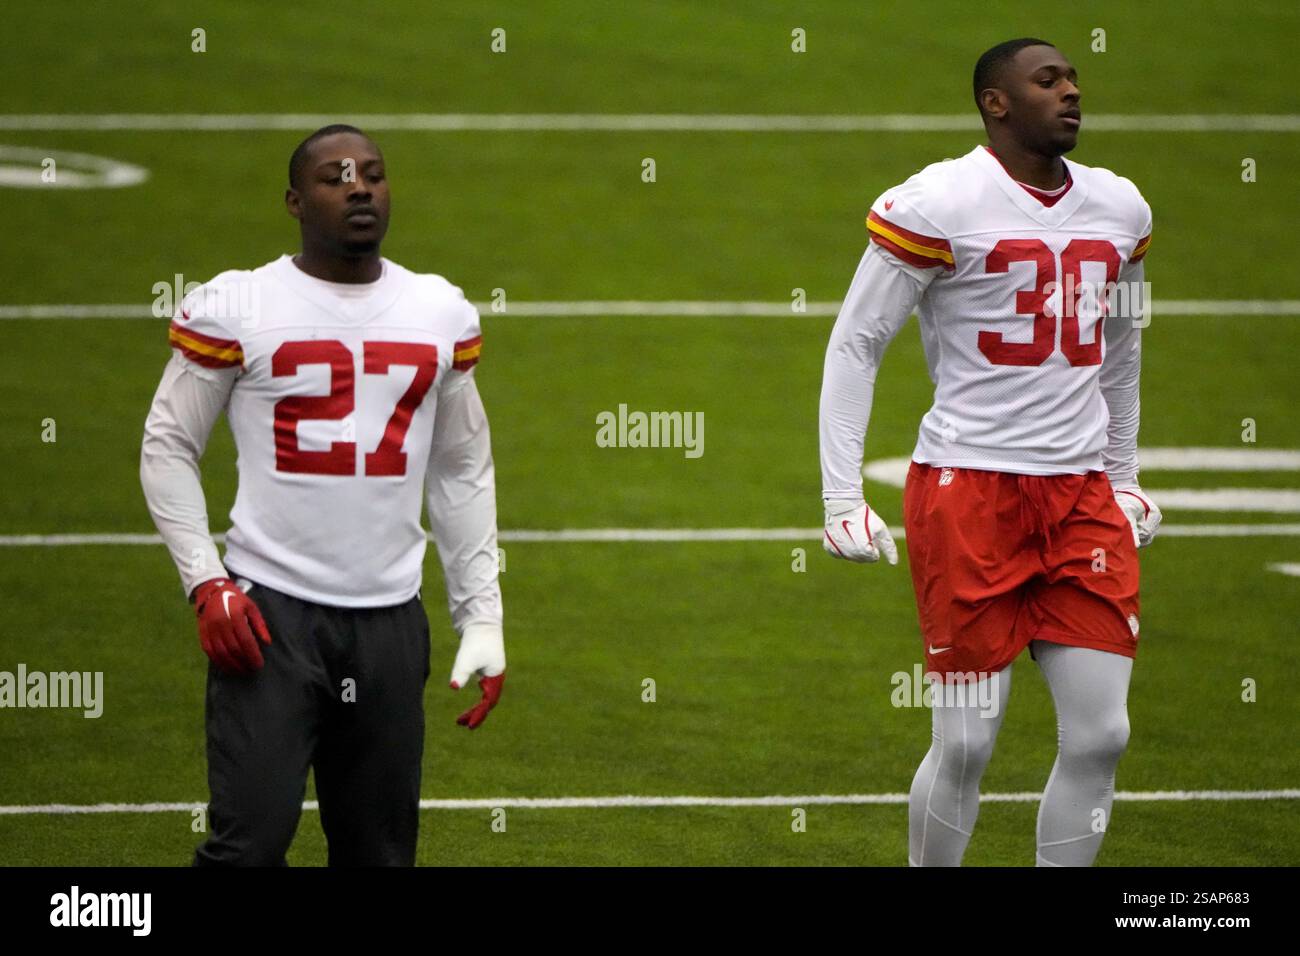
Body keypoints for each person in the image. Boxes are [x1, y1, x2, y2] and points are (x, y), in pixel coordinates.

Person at [818, 40, 1162, 866]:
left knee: (1103, 734)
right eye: (1048, 81)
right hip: (969, 492)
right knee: (968, 742)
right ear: (995, 103)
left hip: (1080, 500)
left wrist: (1124, 476)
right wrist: (839, 498)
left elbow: (1122, 348)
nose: (1072, 91)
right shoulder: (939, 200)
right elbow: (856, 342)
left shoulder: (1123, 210)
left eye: (1074, 78)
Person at [140, 124, 505, 866]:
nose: (359, 187)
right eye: (335, 176)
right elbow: (168, 445)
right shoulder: (240, 304)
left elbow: (462, 468)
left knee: (380, 854)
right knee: (249, 849)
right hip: (271, 617)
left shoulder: (437, 311)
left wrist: (483, 615)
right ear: (294, 202)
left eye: (372, 173)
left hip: (390, 624)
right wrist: (206, 580)